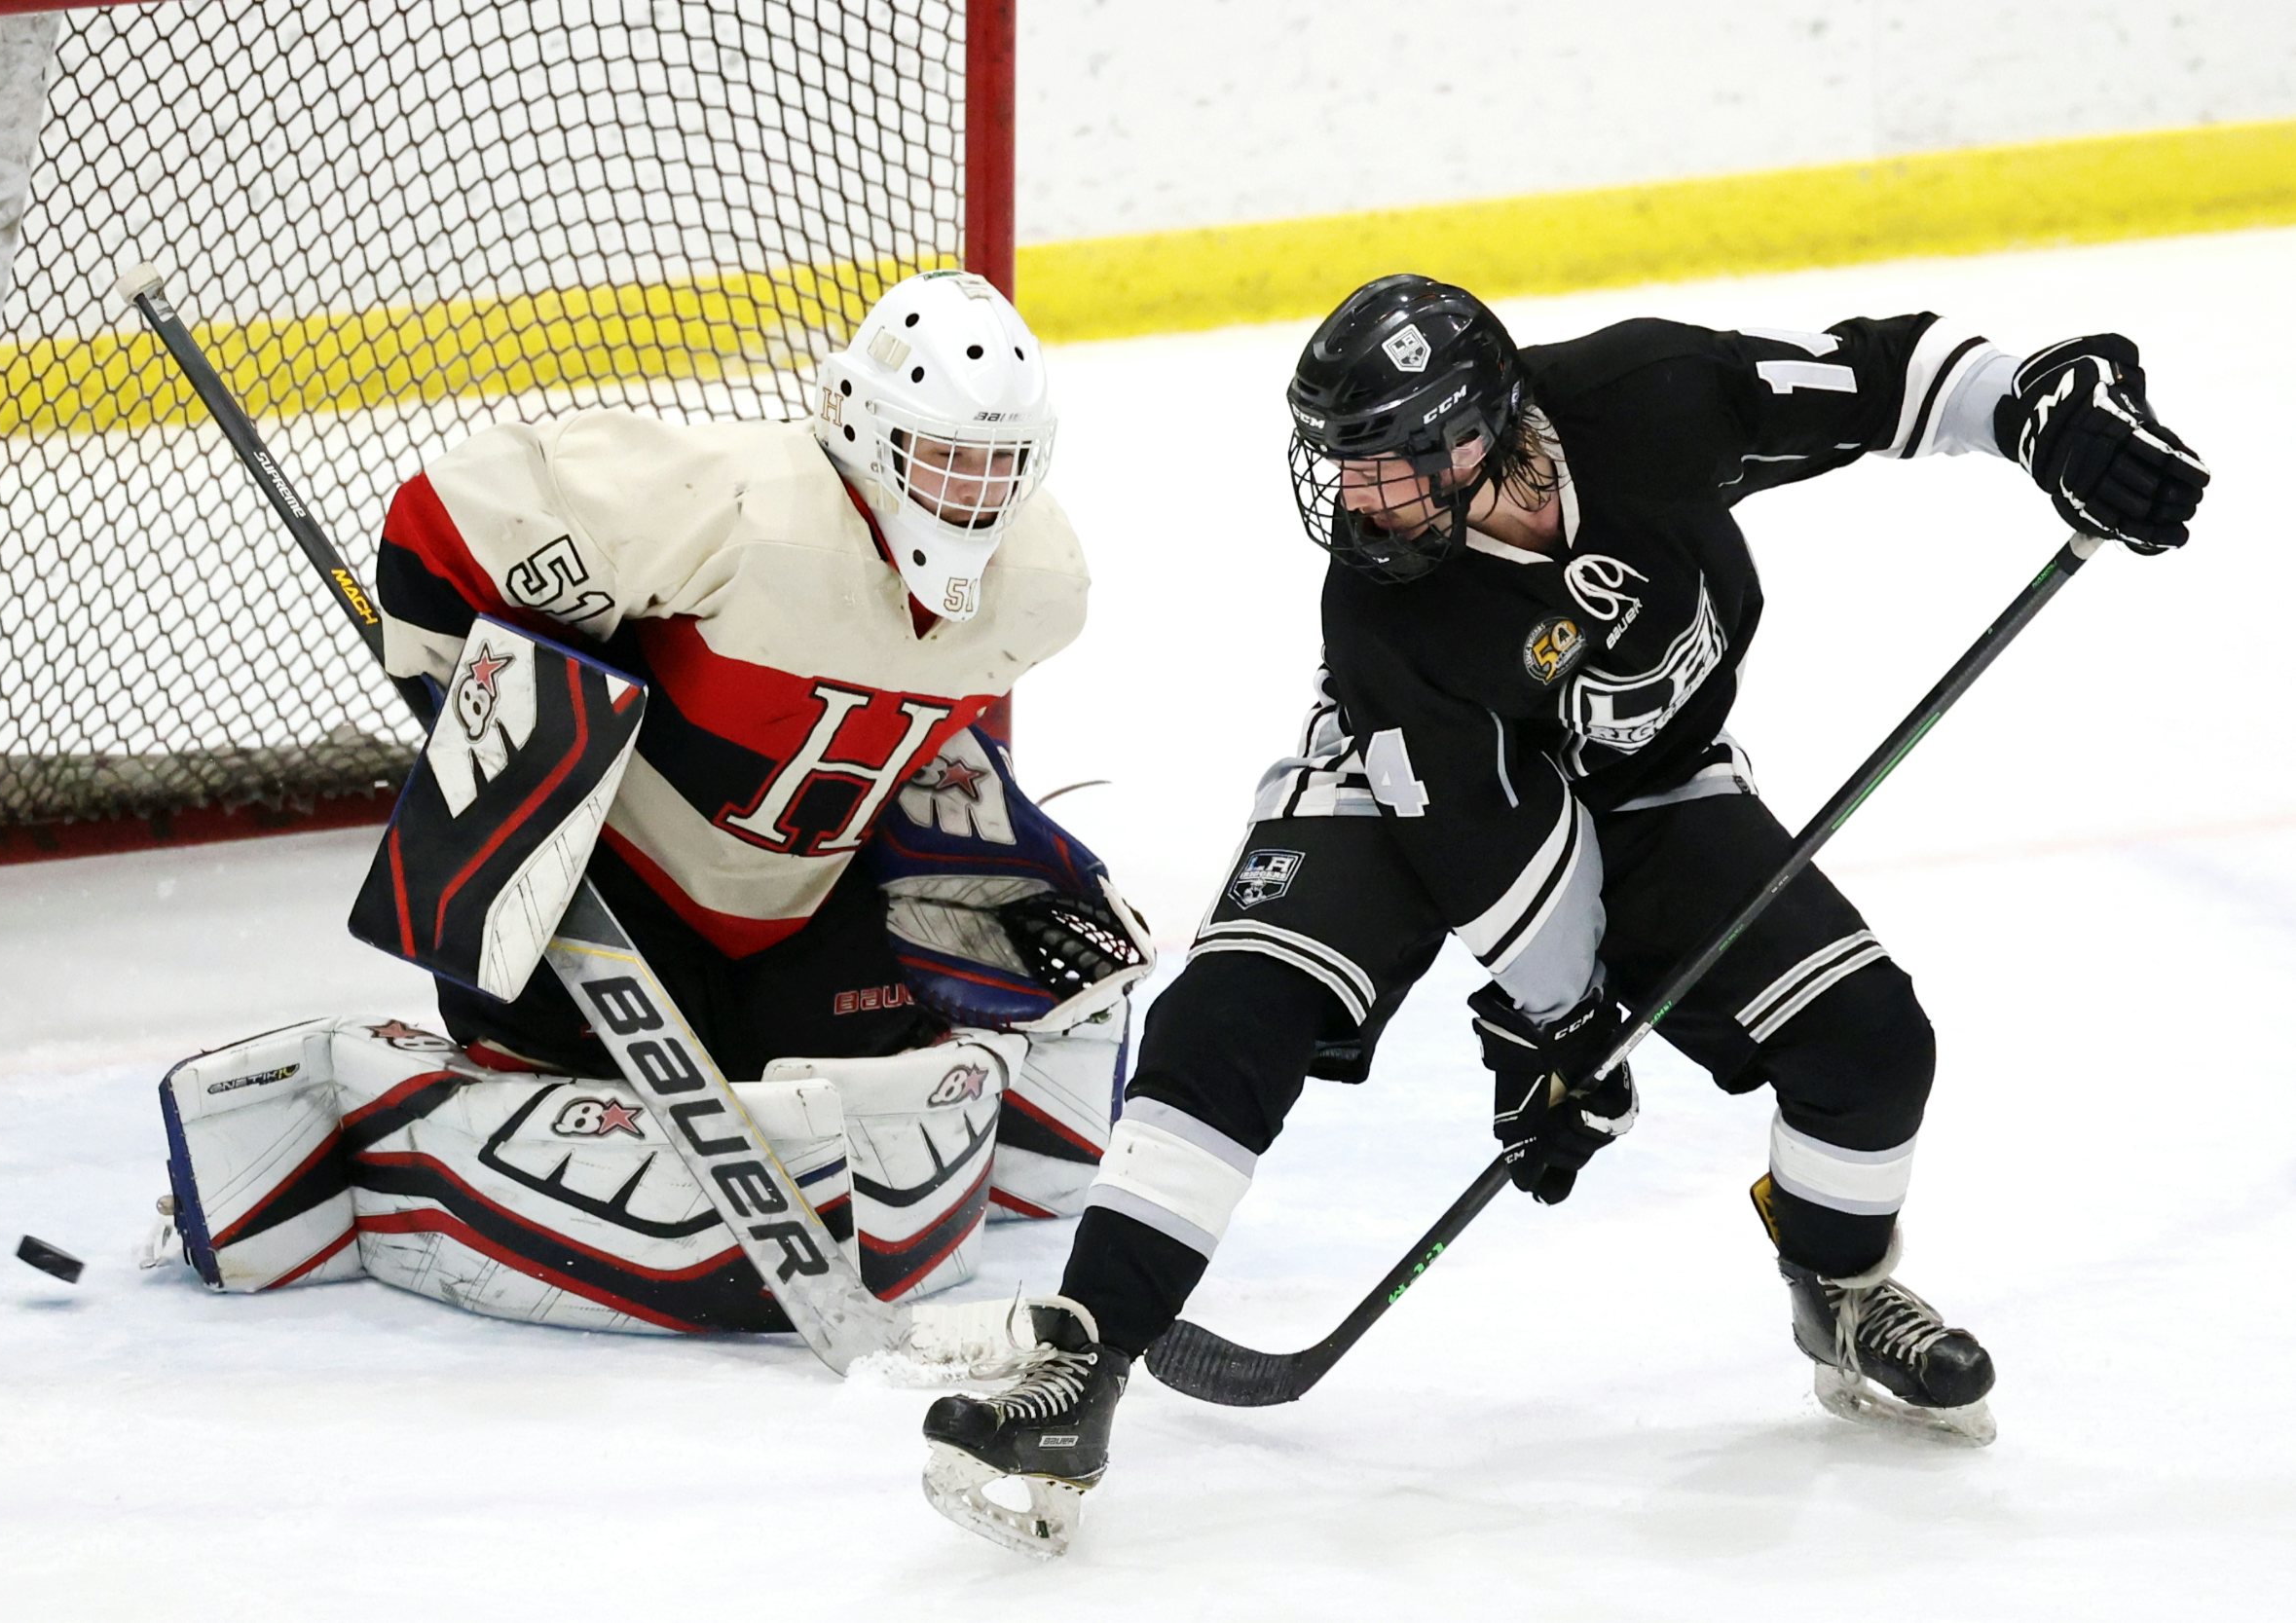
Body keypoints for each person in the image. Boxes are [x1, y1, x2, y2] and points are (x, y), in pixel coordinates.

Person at [917, 273, 2208, 1556]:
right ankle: (1076, 1366)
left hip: (1650, 786)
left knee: (1872, 1040)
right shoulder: (1383, 607)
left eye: (1387, 462)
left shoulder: (1652, 397)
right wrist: (1563, 1023)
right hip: (1392, 788)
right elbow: (1491, 839)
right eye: (1340, 463)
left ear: (1477, 435)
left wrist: (2049, 406)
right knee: (1232, 1007)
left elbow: (1885, 376)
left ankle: (1843, 1288)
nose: (1355, 499)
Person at [146, 272, 1151, 1335]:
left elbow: (904, 740)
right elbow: (443, 521)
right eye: (945, 456)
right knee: (552, 1054)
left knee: (850, 1057)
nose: (971, 494)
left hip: (795, 903)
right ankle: (388, 1131)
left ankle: (1005, 1074)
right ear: (861, 423)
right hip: (614, 881)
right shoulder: (735, 504)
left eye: (1000, 465)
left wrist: (979, 846)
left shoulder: (1046, 582)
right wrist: (500, 713)